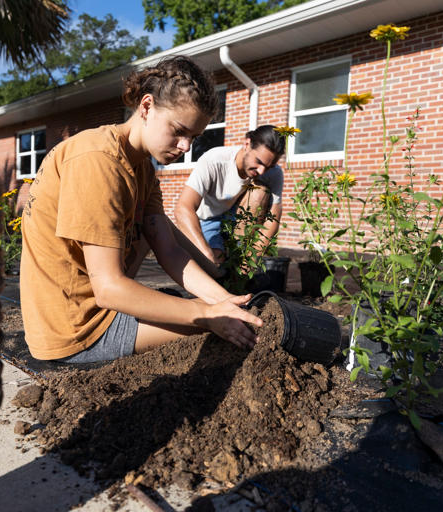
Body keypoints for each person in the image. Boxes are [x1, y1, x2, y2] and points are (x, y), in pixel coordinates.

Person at [20, 56, 263, 364]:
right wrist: (204, 313)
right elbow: (108, 289)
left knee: (213, 316)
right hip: (77, 328)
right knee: (216, 332)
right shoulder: (97, 160)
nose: (186, 146)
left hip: (101, 308)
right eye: (179, 130)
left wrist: (225, 300)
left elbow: (170, 250)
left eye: (194, 137)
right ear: (146, 107)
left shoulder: (143, 169)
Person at [173, 125, 285, 268]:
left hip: (235, 215)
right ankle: (220, 256)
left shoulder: (273, 172)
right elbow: (183, 208)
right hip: (207, 219)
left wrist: (251, 259)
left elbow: (274, 217)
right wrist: (207, 254)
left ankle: (239, 251)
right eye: (259, 162)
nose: (262, 171)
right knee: (215, 263)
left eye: (269, 166)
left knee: (260, 191)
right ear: (247, 144)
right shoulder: (214, 160)